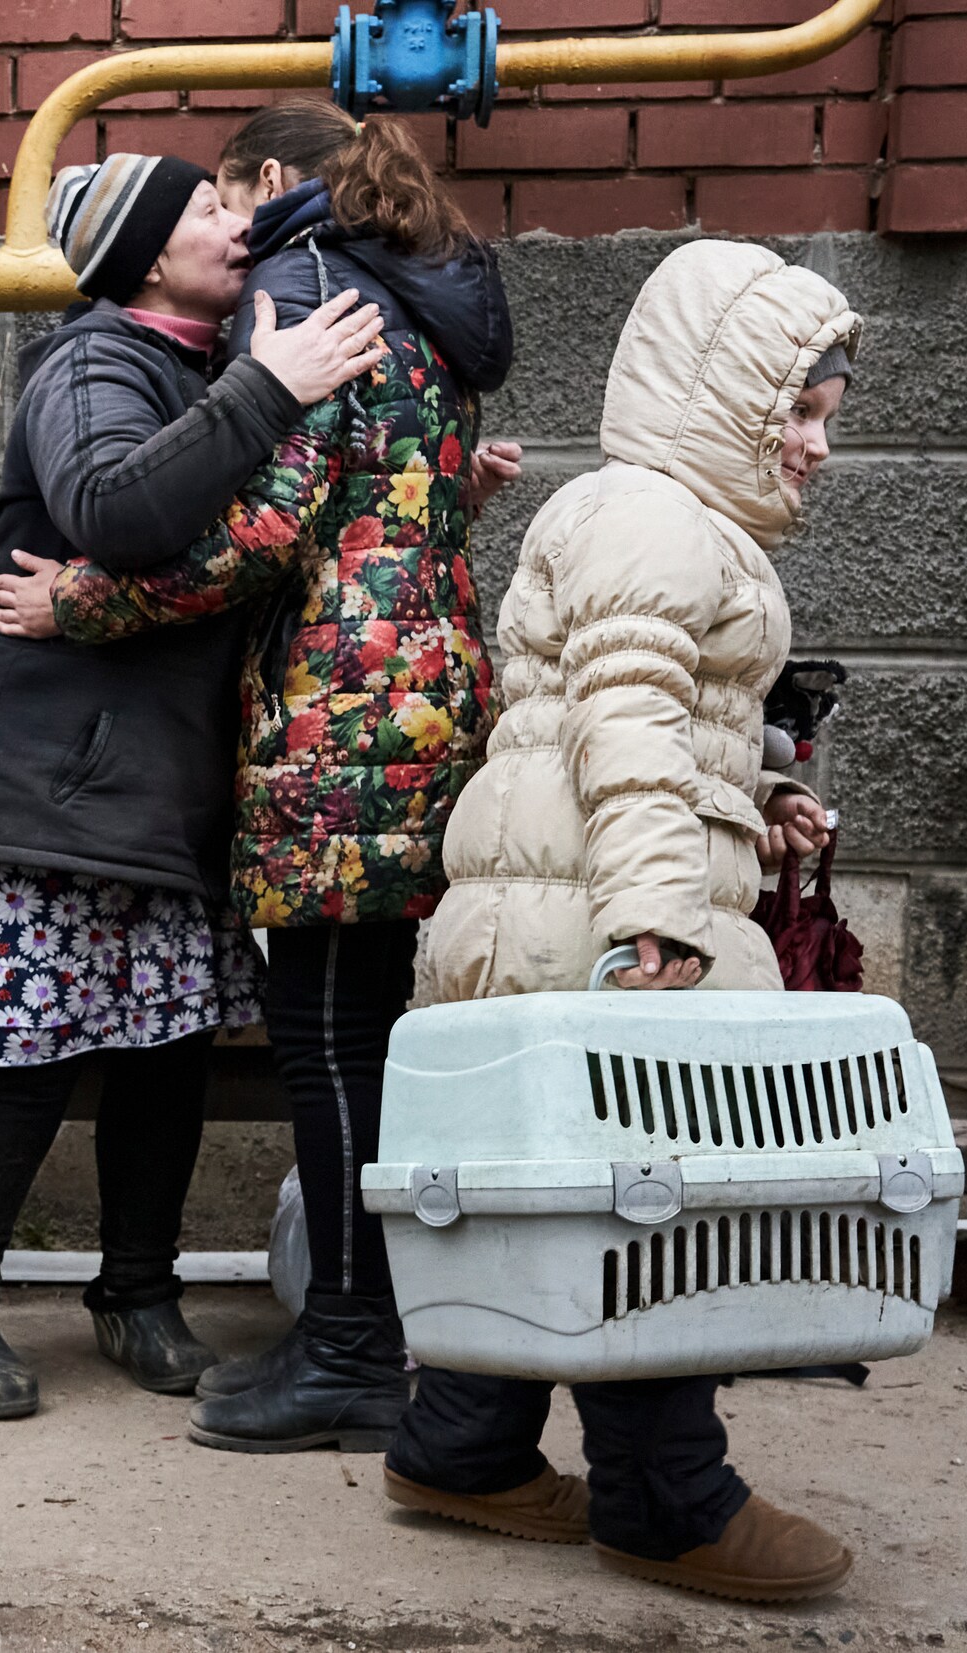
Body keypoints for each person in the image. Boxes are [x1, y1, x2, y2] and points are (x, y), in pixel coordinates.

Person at [0, 102, 512, 1453]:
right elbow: (388, 498)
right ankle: (373, 1328)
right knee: (374, 1040)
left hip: (344, 711)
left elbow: (264, 527)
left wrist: (81, 603)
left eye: (232, 198)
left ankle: (350, 1351)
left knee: (331, 1048)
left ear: (276, 183)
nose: (230, 227)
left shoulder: (311, 287)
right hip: (429, 687)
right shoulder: (423, 295)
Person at [381, 238, 849, 1604]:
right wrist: (659, 908)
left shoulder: (659, 516)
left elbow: (635, 724)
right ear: (722, 391)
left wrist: (754, 799)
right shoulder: (654, 518)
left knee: (534, 1199)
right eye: (799, 411)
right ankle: (666, 1498)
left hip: (550, 901)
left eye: (826, 418)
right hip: (597, 916)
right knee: (653, 1207)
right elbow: (627, 724)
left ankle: (463, 1448)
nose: (816, 445)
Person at [0, 149, 391, 1419]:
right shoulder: (93, 360)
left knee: (165, 1054)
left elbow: (249, 539)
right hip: (47, 787)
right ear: (139, 254)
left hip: (162, 787)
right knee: (18, 1054)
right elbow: (113, 507)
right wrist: (265, 388)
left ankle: (134, 1294)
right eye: (205, 212)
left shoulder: (208, 364)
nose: (238, 224)